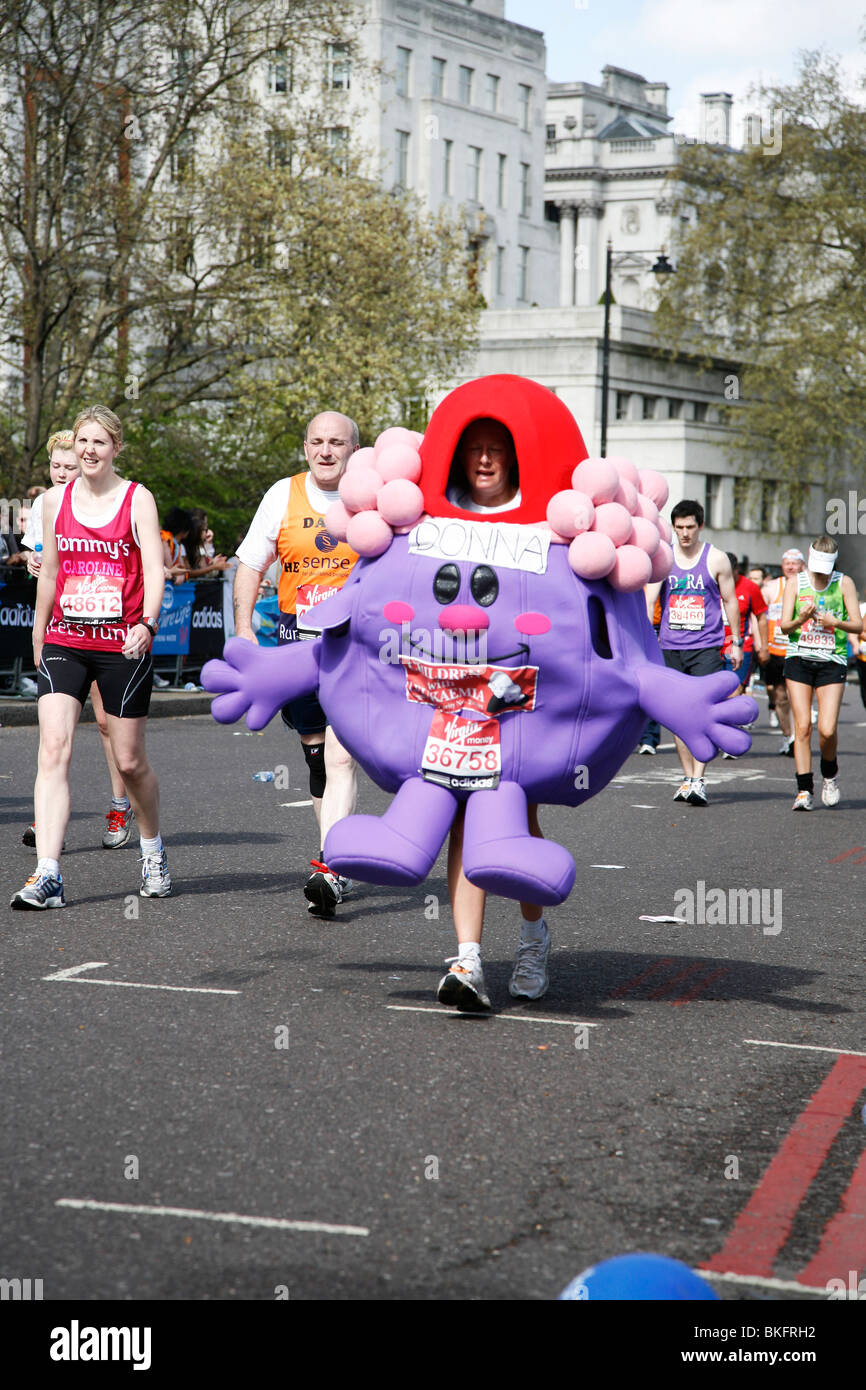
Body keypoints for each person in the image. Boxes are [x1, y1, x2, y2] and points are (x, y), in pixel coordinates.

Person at [11, 406, 171, 909]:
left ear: (116, 448)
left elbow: (155, 568)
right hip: (66, 639)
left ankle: (151, 849)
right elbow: (52, 574)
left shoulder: (136, 498)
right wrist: (39, 633)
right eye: (83, 441)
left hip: (123, 642)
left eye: (100, 442)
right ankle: (49, 873)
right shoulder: (55, 501)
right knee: (53, 749)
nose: (89, 450)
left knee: (129, 761)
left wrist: (146, 623)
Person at [437, 418, 549, 1011]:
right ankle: (469, 956)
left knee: (516, 820)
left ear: (512, 459)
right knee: (462, 816)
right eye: (475, 451)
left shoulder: (537, 515)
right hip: (450, 679)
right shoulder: (441, 511)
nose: (484, 460)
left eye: (495, 451)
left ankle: (532, 936)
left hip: (517, 681)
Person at [232, 411, 360, 918]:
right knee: (316, 761)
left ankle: (331, 867)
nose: (326, 451)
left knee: (342, 756)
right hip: (295, 646)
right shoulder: (281, 495)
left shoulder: (371, 497)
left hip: (355, 649)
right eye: (317, 442)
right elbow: (250, 563)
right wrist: (244, 630)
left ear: (355, 448)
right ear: (306, 446)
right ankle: (333, 862)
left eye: (337, 443)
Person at [19, 431, 133, 850]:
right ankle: (46, 820)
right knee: (53, 735)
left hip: (108, 629)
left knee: (106, 722)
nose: (64, 474)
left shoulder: (115, 498)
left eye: (71, 466)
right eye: (57, 467)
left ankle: (121, 804)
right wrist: (34, 560)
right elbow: (41, 560)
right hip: (63, 630)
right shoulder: (46, 503)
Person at [645, 500, 741, 807]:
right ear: (673, 527)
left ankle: (699, 778)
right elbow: (649, 603)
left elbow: (730, 601)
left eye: (690, 527)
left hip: (706, 648)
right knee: (676, 717)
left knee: (700, 713)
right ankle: (688, 778)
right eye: (679, 528)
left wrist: (736, 641)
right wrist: (648, 643)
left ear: (699, 526)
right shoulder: (664, 558)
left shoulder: (716, 558)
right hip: (670, 648)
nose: (684, 534)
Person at [780, 535, 861, 811]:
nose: (819, 573)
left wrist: (834, 621)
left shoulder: (843, 583)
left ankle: (830, 774)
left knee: (827, 729)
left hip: (831, 661)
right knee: (802, 726)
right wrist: (801, 618)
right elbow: (784, 627)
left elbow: (858, 625)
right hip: (799, 658)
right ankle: (804, 789)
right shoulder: (796, 582)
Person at [759, 548, 804, 753]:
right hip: (776, 650)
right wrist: (763, 646)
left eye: (795, 563)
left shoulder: (808, 586)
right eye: (787, 563)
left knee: (798, 696)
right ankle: (788, 736)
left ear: (802, 566)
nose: (791, 566)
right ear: (782, 565)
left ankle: (798, 736)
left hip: (799, 649)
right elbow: (758, 616)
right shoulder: (770, 587)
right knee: (780, 696)